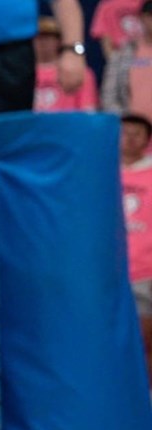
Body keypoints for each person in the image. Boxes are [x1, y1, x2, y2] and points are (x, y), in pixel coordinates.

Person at [120, 113, 152, 393]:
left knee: (144, 340)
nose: (129, 138)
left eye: (136, 133)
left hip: (144, 270)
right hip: (109, 269)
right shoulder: (101, 171)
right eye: (124, 132)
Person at [34, 16, 98, 112]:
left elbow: (88, 111)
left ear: (59, 41)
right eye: (38, 38)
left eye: (47, 38)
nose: (42, 43)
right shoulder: (19, 74)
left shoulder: (79, 72)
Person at [101, 2, 152, 120]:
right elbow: (109, 96)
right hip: (133, 131)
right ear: (141, 18)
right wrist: (127, 122)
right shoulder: (123, 53)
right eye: (150, 15)